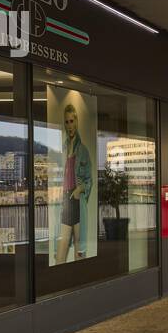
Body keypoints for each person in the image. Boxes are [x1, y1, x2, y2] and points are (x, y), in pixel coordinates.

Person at [53, 102, 92, 262]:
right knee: (60, 250)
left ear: (76, 122)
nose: (70, 125)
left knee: (79, 249)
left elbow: (89, 181)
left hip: (77, 201)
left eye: (72, 121)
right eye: (67, 122)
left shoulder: (83, 150)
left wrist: (79, 190)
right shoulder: (62, 148)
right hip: (65, 202)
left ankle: (80, 283)